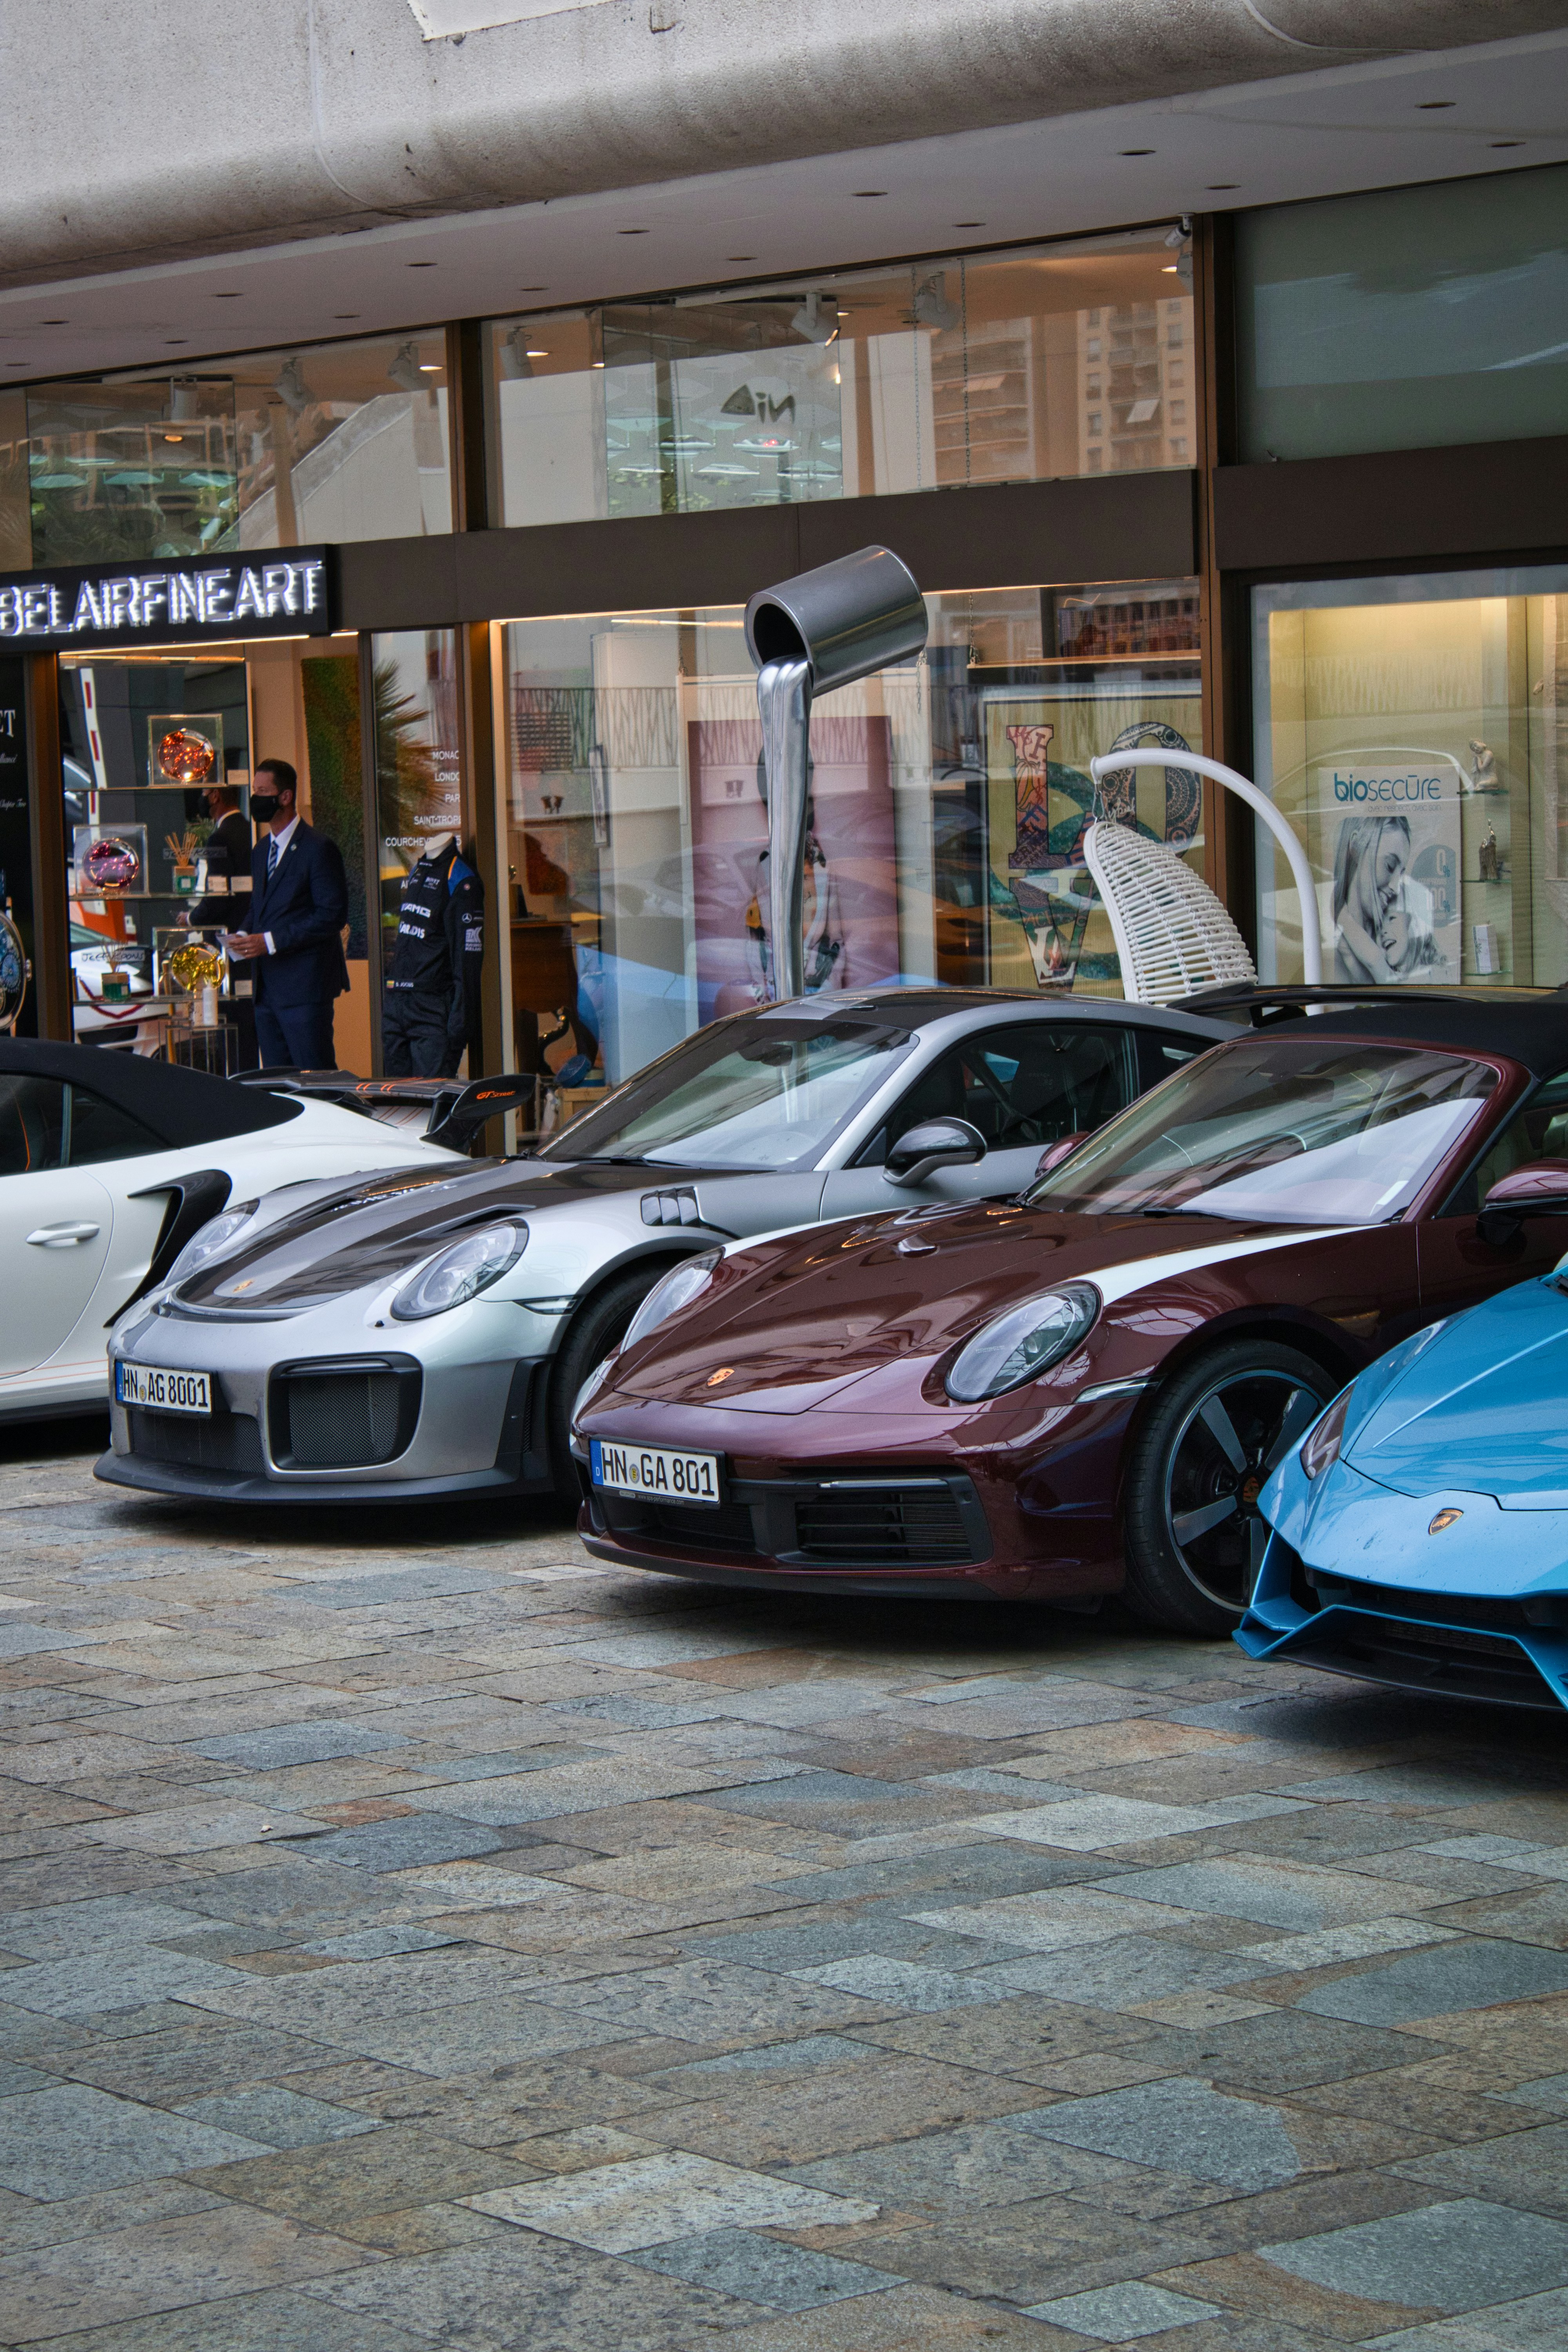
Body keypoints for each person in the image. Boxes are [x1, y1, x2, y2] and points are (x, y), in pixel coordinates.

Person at [225, 758, 348, 1069]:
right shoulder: (260, 851)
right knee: (277, 1081)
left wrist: (270, 941)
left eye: (262, 792)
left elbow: (331, 915)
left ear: (285, 797)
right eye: (254, 791)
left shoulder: (318, 848)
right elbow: (259, 906)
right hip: (266, 991)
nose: (255, 798)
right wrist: (243, 934)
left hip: (305, 990)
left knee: (316, 1080)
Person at [382, 832, 485, 1077]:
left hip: (432, 1007)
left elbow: (467, 959)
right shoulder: (418, 870)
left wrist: (460, 1019)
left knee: (432, 1095)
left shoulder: (461, 877)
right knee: (395, 1096)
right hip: (398, 1003)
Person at [1332, 813, 1411, 987]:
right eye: (1390, 866)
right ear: (1356, 847)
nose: (1396, 888)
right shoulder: (1328, 950)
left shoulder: (1392, 949)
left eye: (1401, 874)